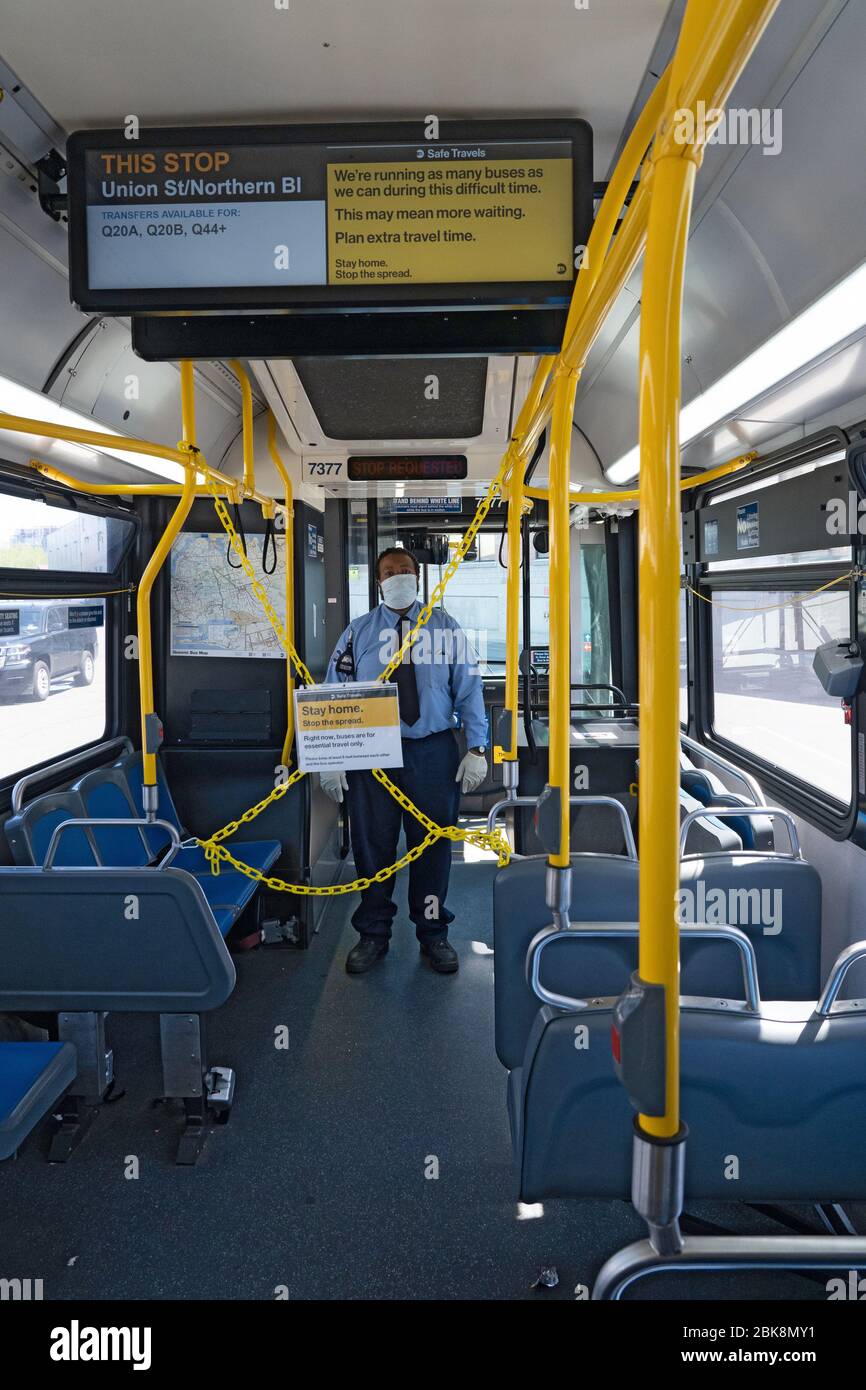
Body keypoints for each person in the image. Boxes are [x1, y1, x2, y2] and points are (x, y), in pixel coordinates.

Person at [321, 546, 488, 975]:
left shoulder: (446, 629)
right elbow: (334, 694)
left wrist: (476, 747)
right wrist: (331, 758)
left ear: (418, 576)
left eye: (405, 570)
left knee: (432, 846)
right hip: (372, 752)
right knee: (373, 846)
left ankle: (433, 933)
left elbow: (469, 690)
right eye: (389, 572)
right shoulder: (357, 634)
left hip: (431, 749)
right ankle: (372, 934)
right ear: (378, 582)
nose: (398, 577)